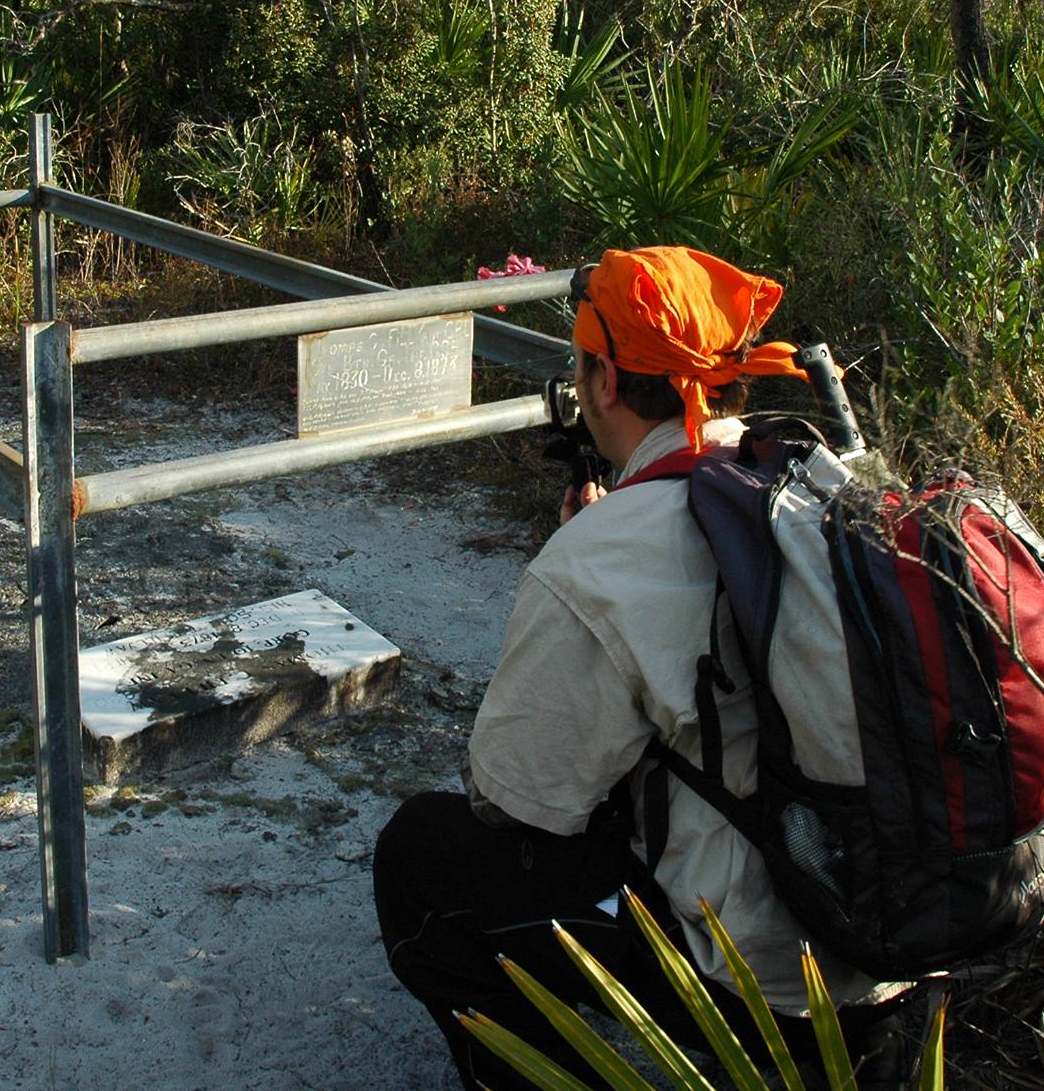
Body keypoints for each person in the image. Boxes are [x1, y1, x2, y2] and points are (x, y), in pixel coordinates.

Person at [372, 246, 913, 1091]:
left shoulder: (598, 558)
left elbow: (514, 797)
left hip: (760, 986)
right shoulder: (825, 478)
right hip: (906, 942)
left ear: (604, 382)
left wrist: (574, 560)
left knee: (420, 853)